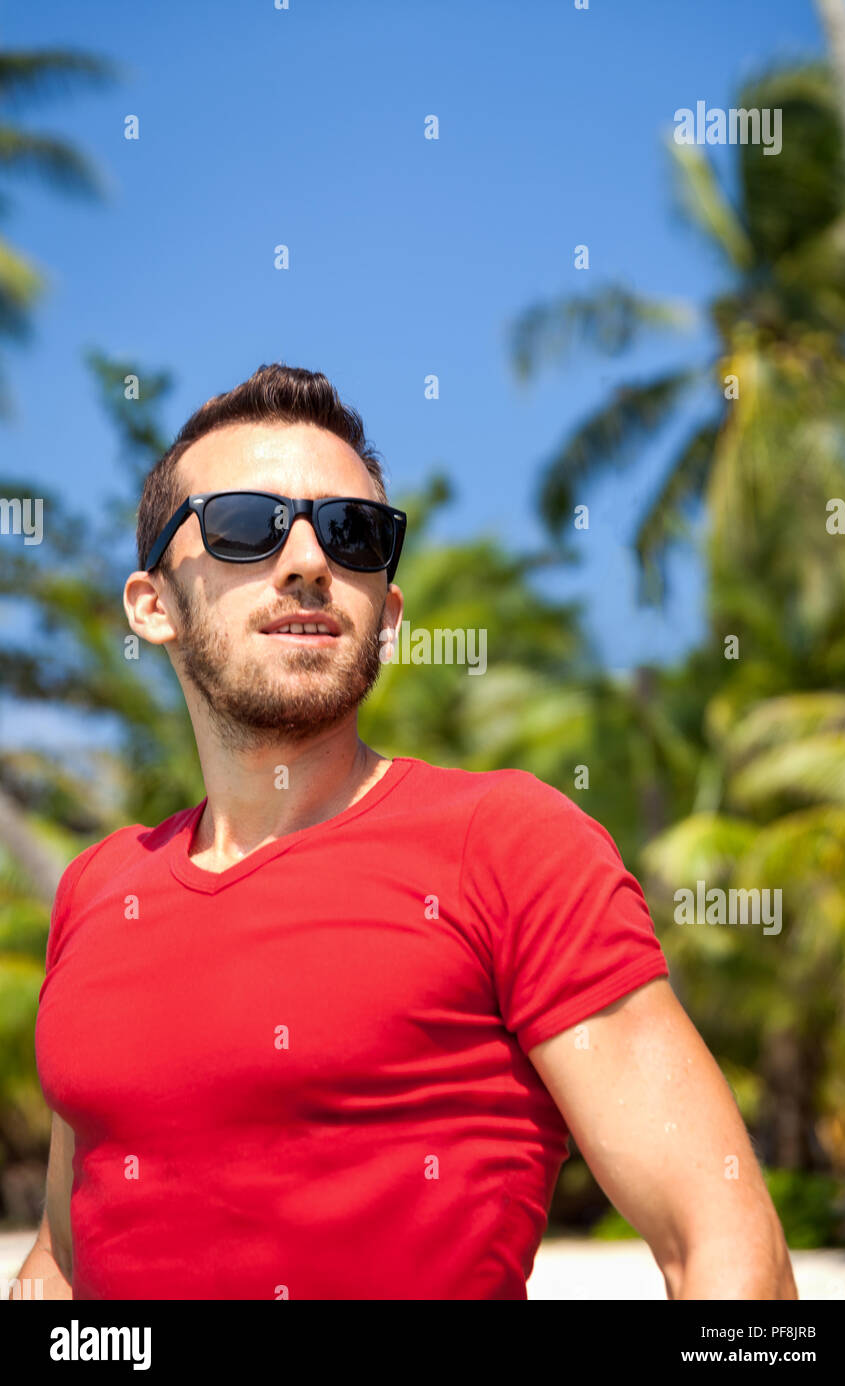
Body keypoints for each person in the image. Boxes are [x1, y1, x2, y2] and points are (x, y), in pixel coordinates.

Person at [14, 365, 797, 1301]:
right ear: (152, 606)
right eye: (243, 524)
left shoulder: (508, 846)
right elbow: (65, 1257)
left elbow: (720, 1241)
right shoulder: (101, 889)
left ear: (385, 616)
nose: (308, 561)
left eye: (351, 534)